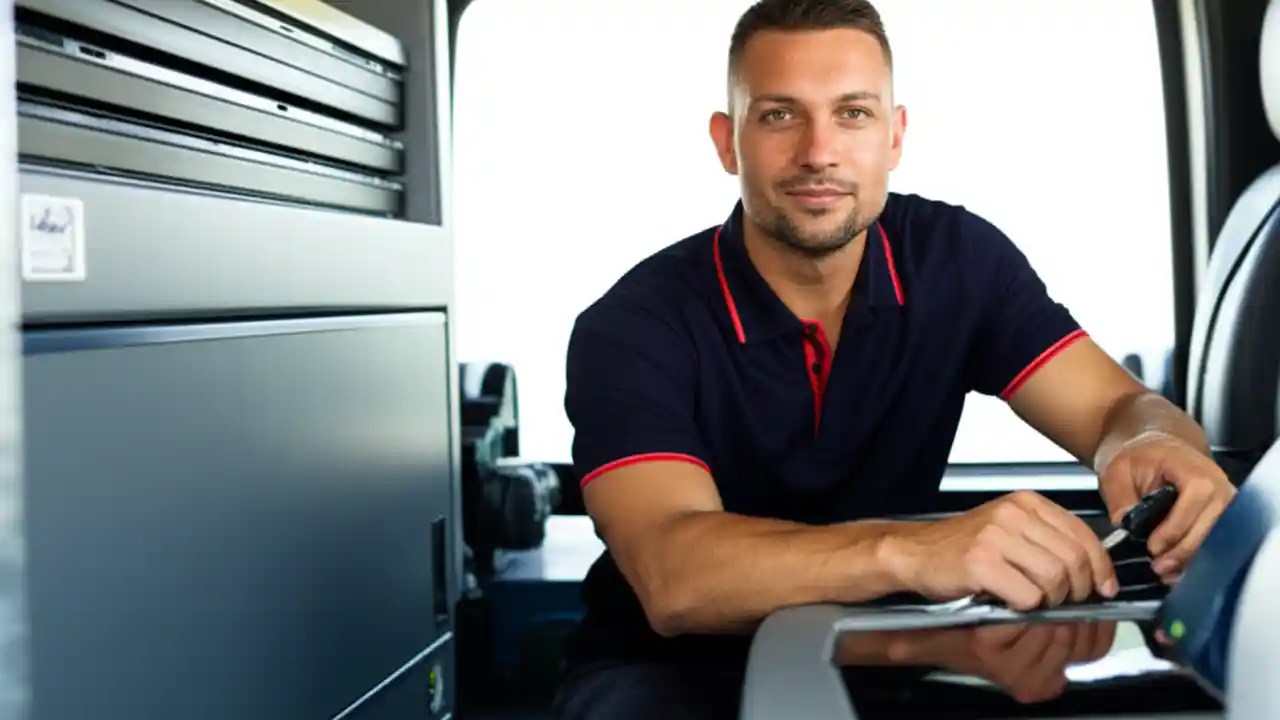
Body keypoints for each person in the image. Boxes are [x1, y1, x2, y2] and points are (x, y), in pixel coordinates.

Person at [550, 0, 1237, 717]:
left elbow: (1117, 408)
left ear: (895, 135)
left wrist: (1151, 440)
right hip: (671, 668)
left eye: (852, 114)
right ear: (728, 143)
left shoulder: (955, 259)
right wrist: (915, 550)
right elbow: (675, 576)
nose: (819, 152)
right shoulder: (634, 326)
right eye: (780, 115)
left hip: (898, 641)